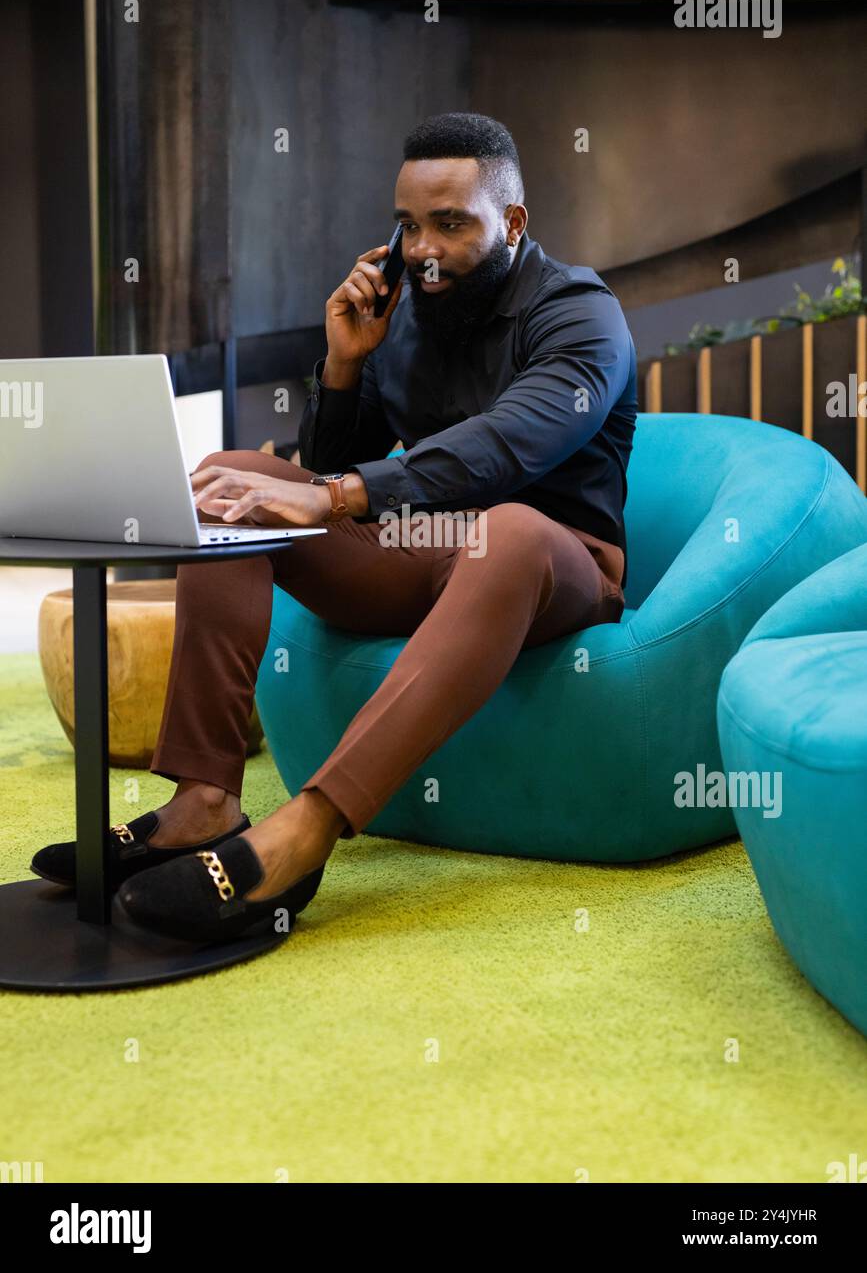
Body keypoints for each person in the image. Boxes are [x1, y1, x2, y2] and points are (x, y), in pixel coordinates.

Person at [31, 112, 637, 943]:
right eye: (408, 223)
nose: (422, 248)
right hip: (420, 554)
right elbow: (322, 473)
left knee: (511, 529)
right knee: (238, 481)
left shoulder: (580, 311)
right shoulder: (407, 313)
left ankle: (306, 831)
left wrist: (341, 494)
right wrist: (347, 363)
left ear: (513, 223)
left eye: (451, 224)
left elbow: (509, 444)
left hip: (549, 568)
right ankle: (203, 798)